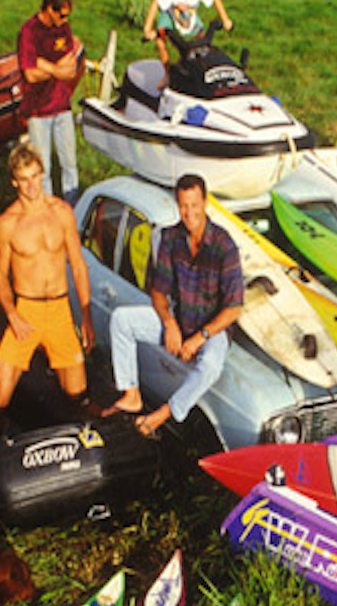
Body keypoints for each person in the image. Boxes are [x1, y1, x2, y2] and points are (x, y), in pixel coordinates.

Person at [103, 172, 244, 439]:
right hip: (180, 319)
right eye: (183, 206)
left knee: (211, 365)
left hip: (212, 330)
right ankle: (131, 394)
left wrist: (199, 338)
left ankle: (164, 414)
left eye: (194, 205)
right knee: (122, 319)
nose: (188, 213)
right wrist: (169, 324)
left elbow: (234, 307)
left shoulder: (224, 246)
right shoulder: (170, 238)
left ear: (205, 203)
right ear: (177, 205)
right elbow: (158, 292)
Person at [0, 144, 93, 436]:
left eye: (35, 176)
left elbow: (79, 266)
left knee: (78, 397)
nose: (32, 185)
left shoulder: (62, 212)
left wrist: (85, 314)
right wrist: (11, 314)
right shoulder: (7, 224)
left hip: (59, 310)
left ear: (43, 173)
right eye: (24, 179)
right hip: (26, 311)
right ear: (14, 182)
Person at [17, 0, 85, 203]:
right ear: (49, 9)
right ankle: (45, 212)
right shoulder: (29, 32)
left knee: (69, 164)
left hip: (62, 105)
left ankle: (72, 210)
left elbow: (71, 66)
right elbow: (29, 75)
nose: (65, 20)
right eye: (62, 15)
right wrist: (56, 70)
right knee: (42, 168)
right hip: (38, 110)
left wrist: (43, 65)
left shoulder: (63, 28)